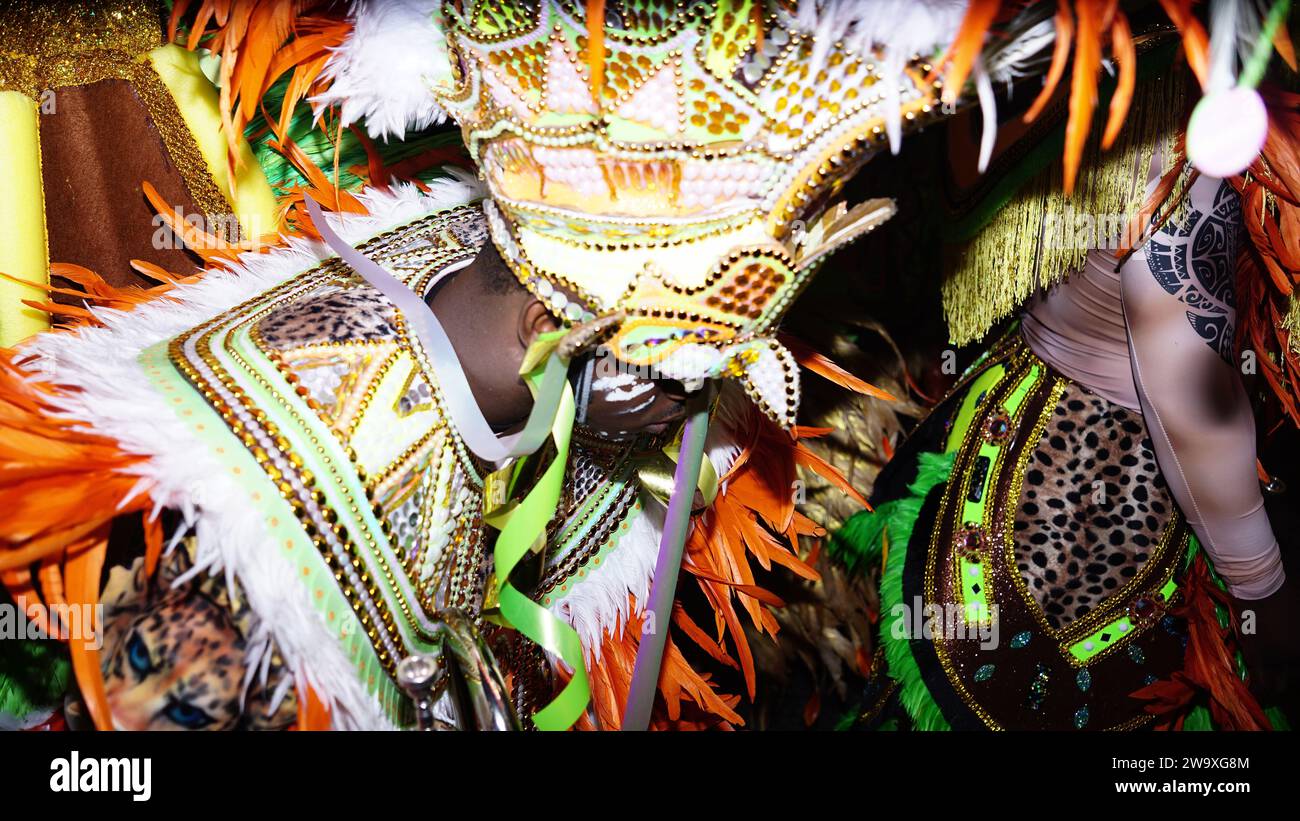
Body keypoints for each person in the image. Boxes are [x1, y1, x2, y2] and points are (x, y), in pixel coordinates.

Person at [0, 0, 986, 730]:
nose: (689, 417)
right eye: (678, 381)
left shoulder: (486, 297)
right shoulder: (309, 480)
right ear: (548, 336)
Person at [837, 4, 1298, 730]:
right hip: (1094, 497)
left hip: (1017, 404)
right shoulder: (1197, 106)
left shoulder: (1104, 36)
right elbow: (1181, 374)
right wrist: (1260, 583)